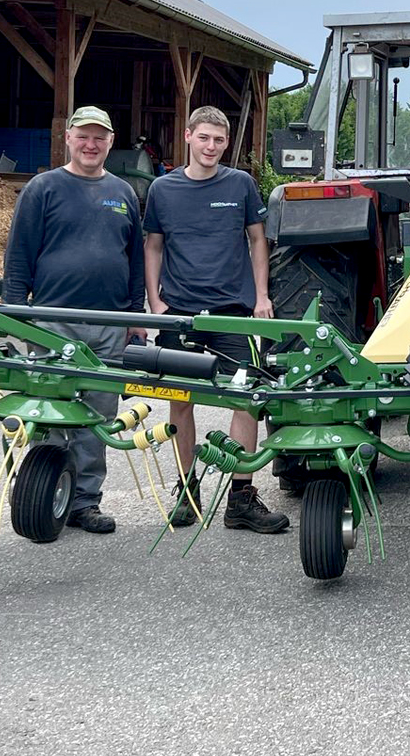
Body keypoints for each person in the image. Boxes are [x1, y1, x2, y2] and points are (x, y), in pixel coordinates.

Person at [145, 106, 290, 535]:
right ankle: (187, 492)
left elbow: (258, 240)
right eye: (204, 138)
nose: (211, 147)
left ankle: (241, 498)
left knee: (245, 398)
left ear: (228, 143)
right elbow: (153, 246)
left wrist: (261, 297)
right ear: (187, 136)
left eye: (219, 140)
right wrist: (155, 302)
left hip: (234, 312)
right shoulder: (162, 189)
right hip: (180, 313)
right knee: (180, 400)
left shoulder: (240, 184)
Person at [1, 105, 145, 535]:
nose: (91, 144)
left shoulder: (123, 193)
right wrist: (14, 312)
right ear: (68, 138)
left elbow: (134, 259)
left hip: (107, 322)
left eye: (99, 137)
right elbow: (20, 254)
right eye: (84, 135)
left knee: (96, 416)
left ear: (110, 141)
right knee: (50, 411)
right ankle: (42, 494)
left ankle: (84, 501)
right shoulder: (42, 188)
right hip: (50, 320)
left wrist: (135, 315)